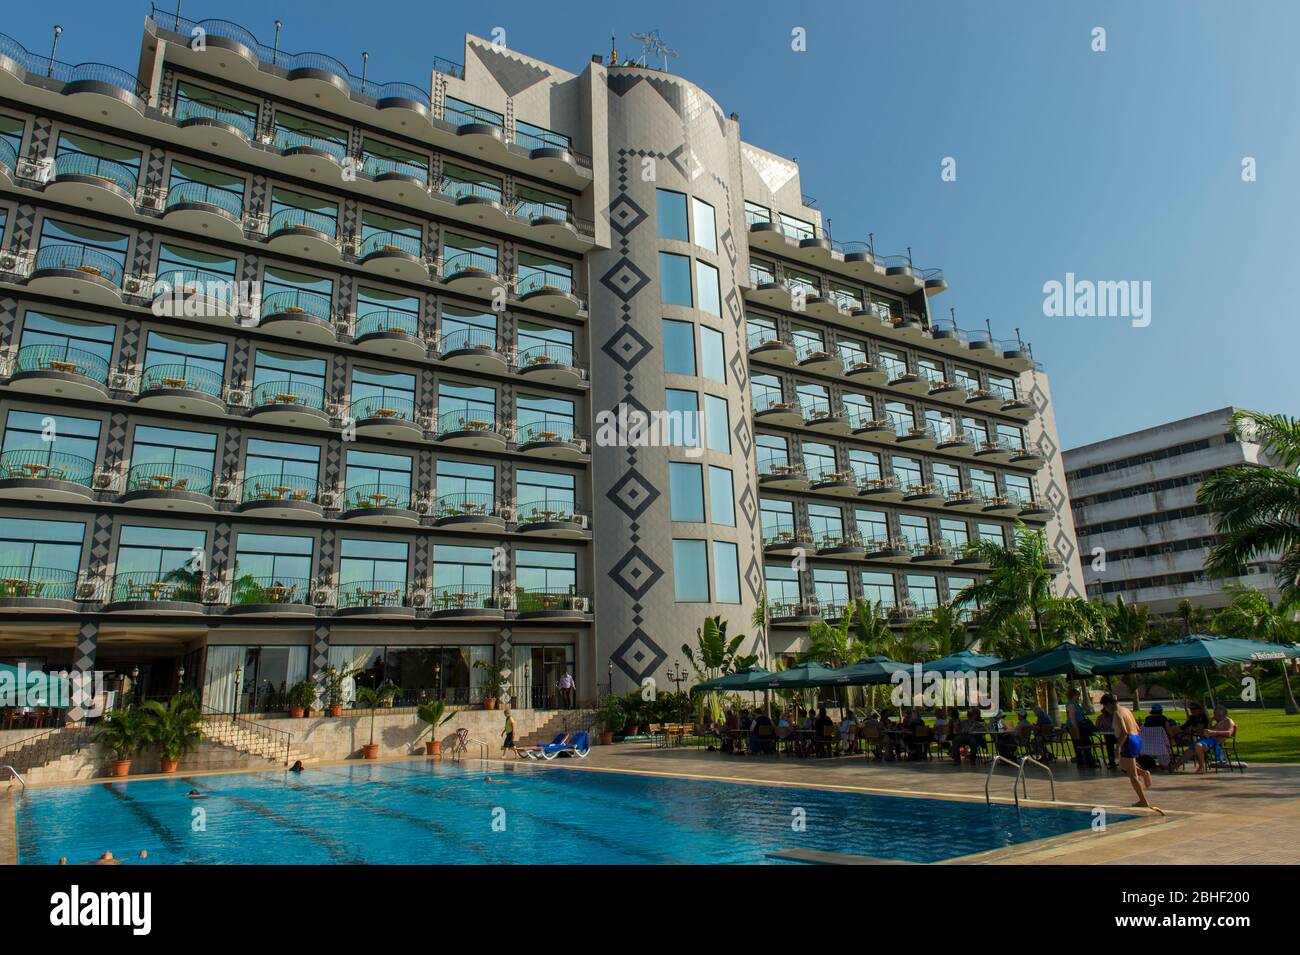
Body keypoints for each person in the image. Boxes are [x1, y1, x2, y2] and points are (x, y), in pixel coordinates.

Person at [1101, 693, 1162, 813]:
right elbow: (1137, 727)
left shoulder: (1117, 714)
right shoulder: (1126, 710)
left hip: (1128, 741)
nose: (1105, 710)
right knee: (1123, 765)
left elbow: (1124, 732)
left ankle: (1143, 801)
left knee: (1132, 775)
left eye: (1105, 707)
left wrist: (1118, 747)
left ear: (1109, 704)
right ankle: (1144, 773)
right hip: (1136, 738)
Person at [1189, 706, 1236, 773]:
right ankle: (1175, 766)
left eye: (1216, 714)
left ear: (1222, 714)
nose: (1214, 716)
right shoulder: (1219, 722)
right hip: (1209, 740)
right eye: (1214, 713)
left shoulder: (1228, 721)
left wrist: (1214, 732)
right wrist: (1210, 722)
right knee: (1190, 750)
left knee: (1198, 746)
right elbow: (1210, 730)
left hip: (1215, 742)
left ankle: (1201, 767)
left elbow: (1229, 733)